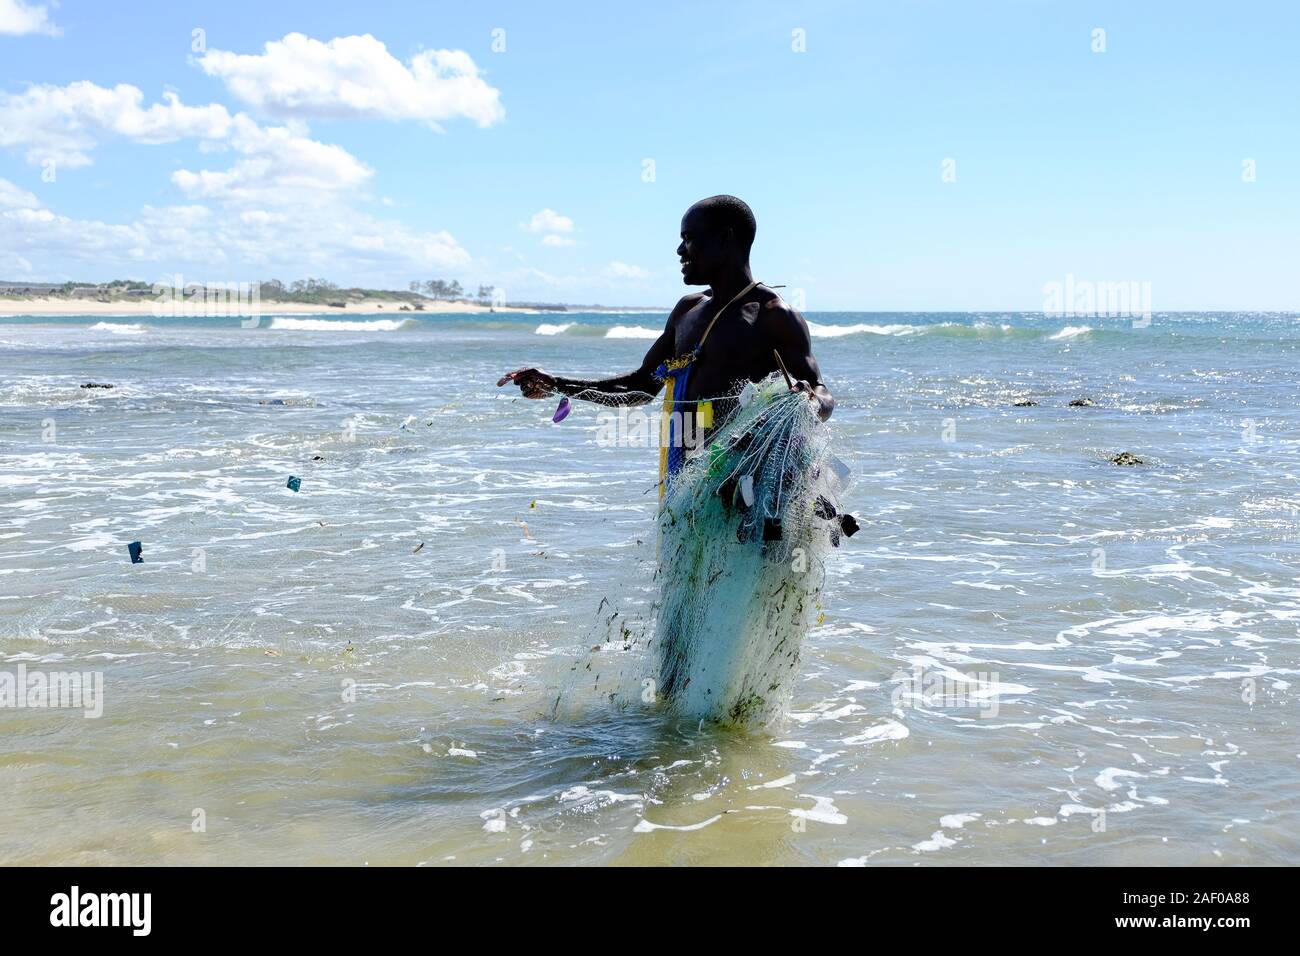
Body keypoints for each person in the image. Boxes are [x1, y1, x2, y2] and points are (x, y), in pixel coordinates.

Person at [498, 194, 834, 489]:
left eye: (689, 239)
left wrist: (808, 399)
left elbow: (822, 394)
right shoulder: (688, 310)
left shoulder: (774, 315)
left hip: (743, 490)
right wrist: (557, 384)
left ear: (725, 238)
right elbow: (642, 387)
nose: (679, 250)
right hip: (682, 487)